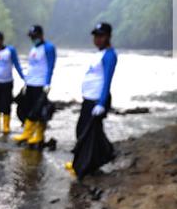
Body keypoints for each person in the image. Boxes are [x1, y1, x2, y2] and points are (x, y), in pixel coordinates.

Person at [68, 22, 118, 177]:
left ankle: (82, 166)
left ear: (108, 36)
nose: (97, 39)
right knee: (88, 131)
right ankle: (103, 155)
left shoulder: (110, 55)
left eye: (101, 36)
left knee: (86, 133)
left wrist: (102, 103)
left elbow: (107, 81)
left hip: (97, 100)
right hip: (89, 99)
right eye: (95, 36)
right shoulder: (98, 53)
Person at [13, 25, 57, 147]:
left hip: (40, 84)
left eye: (35, 36)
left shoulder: (48, 47)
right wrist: (26, 81)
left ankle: (38, 135)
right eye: (32, 37)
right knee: (28, 108)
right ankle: (29, 134)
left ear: (41, 35)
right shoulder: (33, 49)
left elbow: (50, 66)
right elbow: (32, 67)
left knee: (38, 111)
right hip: (30, 83)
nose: (33, 38)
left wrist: (47, 83)